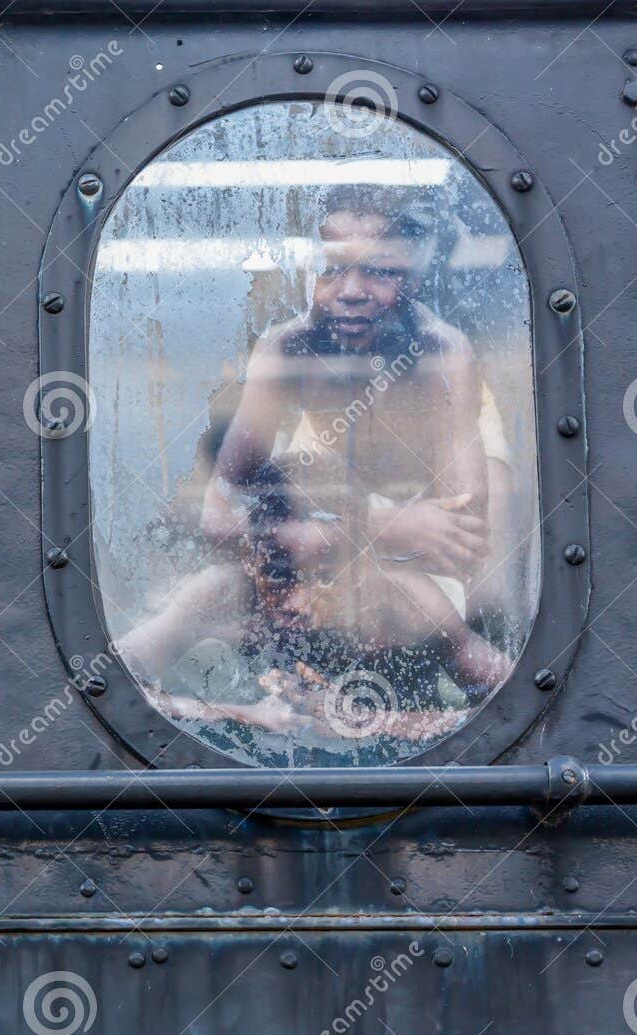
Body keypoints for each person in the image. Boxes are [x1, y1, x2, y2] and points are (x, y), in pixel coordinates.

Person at [116, 185, 514, 743]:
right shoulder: (288, 350)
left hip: (386, 525)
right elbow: (218, 516)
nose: (350, 291)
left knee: (488, 580)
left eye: (378, 270)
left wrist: (381, 722)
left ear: (414, 278)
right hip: (337, 491)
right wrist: (375, 525)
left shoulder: (443, 356)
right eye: (330, 269)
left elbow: (463, 547)